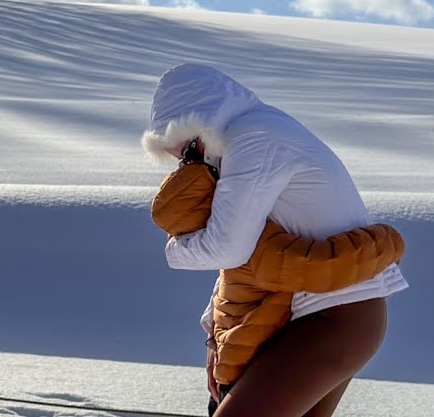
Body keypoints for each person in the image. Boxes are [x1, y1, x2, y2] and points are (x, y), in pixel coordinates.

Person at [142, 64, 408, 417]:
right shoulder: (257, 134)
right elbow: (248, 256)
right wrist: (216, 335)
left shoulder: (254, 137)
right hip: (323, 317)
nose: (191, 167)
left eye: (189, 153)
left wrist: (175, 249)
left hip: (335, 318)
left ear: (199, 125)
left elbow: (229, 247)